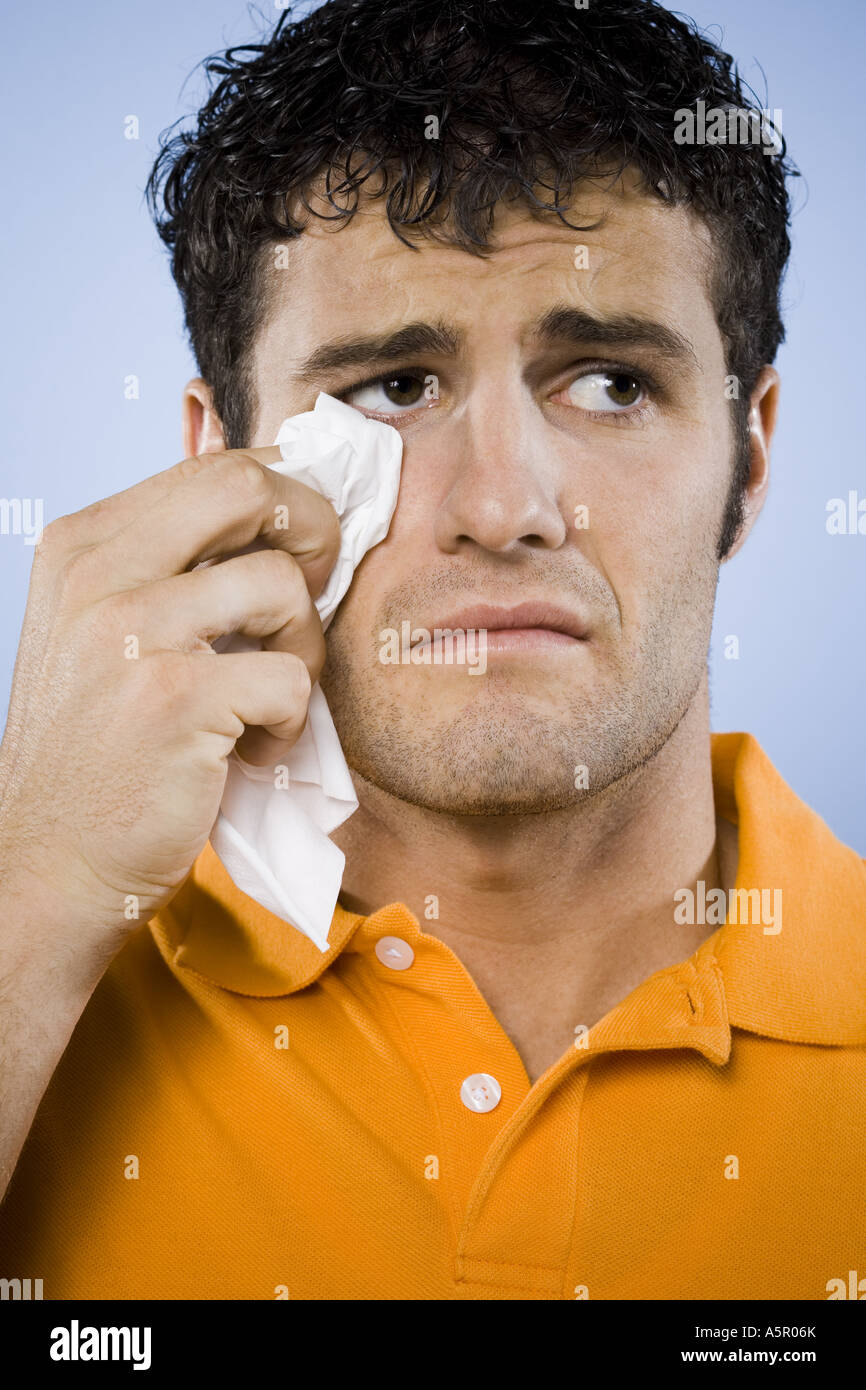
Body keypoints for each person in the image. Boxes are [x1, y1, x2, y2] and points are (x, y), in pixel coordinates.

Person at [0, 0, 863, 1301]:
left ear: (751, 454)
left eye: (610, 381)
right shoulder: (43, 966)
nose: (504, 505)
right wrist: (37, 887)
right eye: (393, 388)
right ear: (218, 458)